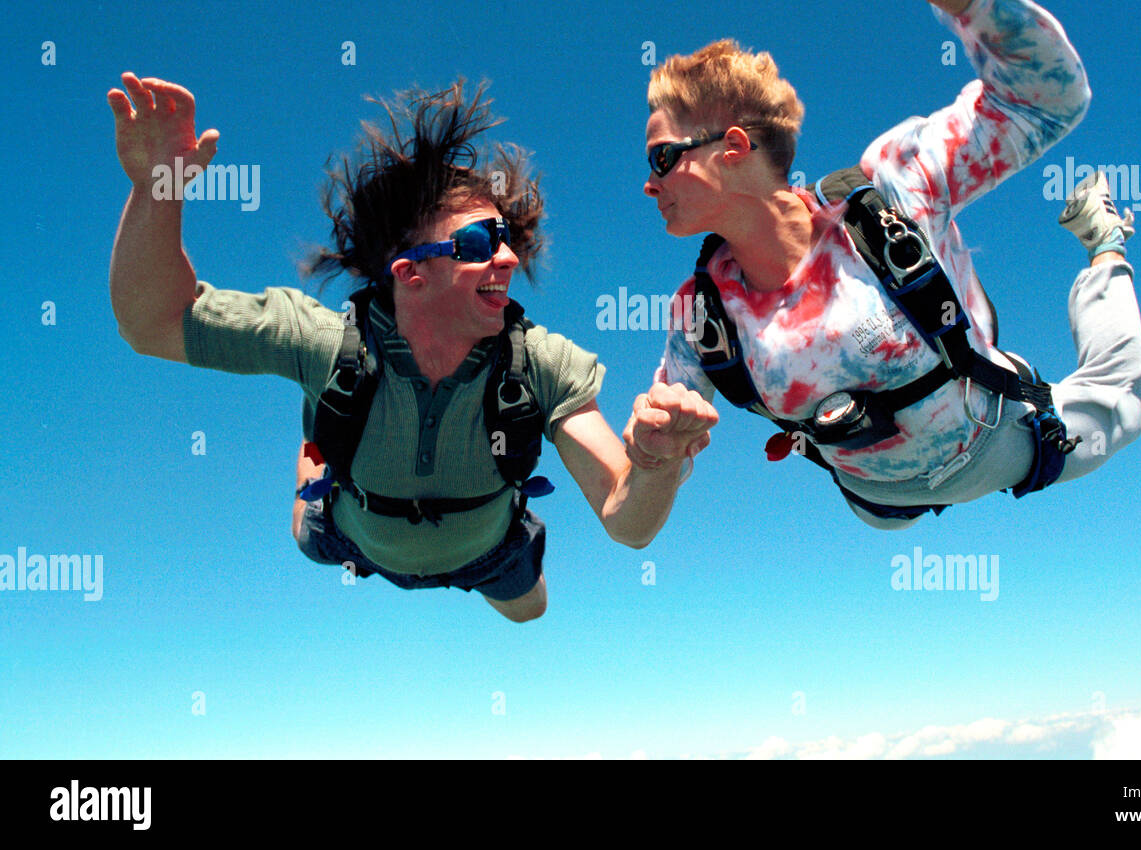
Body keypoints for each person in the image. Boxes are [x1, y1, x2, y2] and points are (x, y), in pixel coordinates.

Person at [631, 0, 1141, 528]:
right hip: (878, 502)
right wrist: (653, 451)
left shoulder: (895, 184)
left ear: (733, 147)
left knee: (1123, 397)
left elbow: (1050, 102)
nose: (648, 184)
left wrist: (984, 5)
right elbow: (641, 503)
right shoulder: (700, 316)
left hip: (1007, 442)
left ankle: (1104, 243)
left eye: (661, 158)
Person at [108, 75, 716, 621]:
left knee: (531, 610)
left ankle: (334, 448)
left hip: (487, 547)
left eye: (505, 239)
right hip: (351, 533)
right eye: (478, 242)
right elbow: (153, 322)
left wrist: (656, 464)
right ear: (410, 273)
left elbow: (625, 522)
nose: (506, 257)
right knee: (305, 530)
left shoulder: (540, 363)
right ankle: (316, 458)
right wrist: (156, 189)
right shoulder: (322, 341)